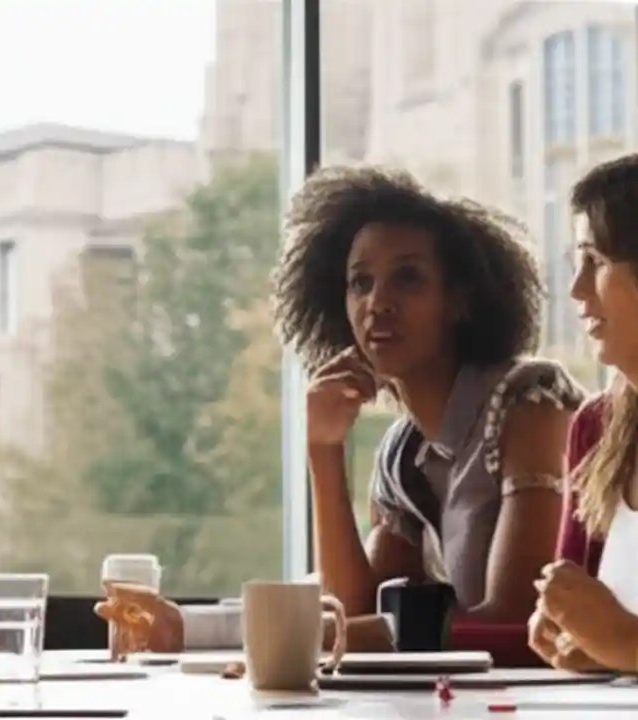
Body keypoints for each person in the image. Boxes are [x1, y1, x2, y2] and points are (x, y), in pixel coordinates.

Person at [96, 166, 582, 653]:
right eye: (360, 283)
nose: (378, 302)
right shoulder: (402, 453)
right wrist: (324, 449)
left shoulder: (531, 403)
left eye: (407, 279)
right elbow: (360, 609)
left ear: (459, 301)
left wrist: (303, 638)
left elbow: (518, 624)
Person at [530, 154, 638, 674]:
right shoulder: (596, 428)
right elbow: (590, 627)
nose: (575, 290)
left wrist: (624, 644)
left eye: (594, 261)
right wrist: (578, 641)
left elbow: (625, 639)